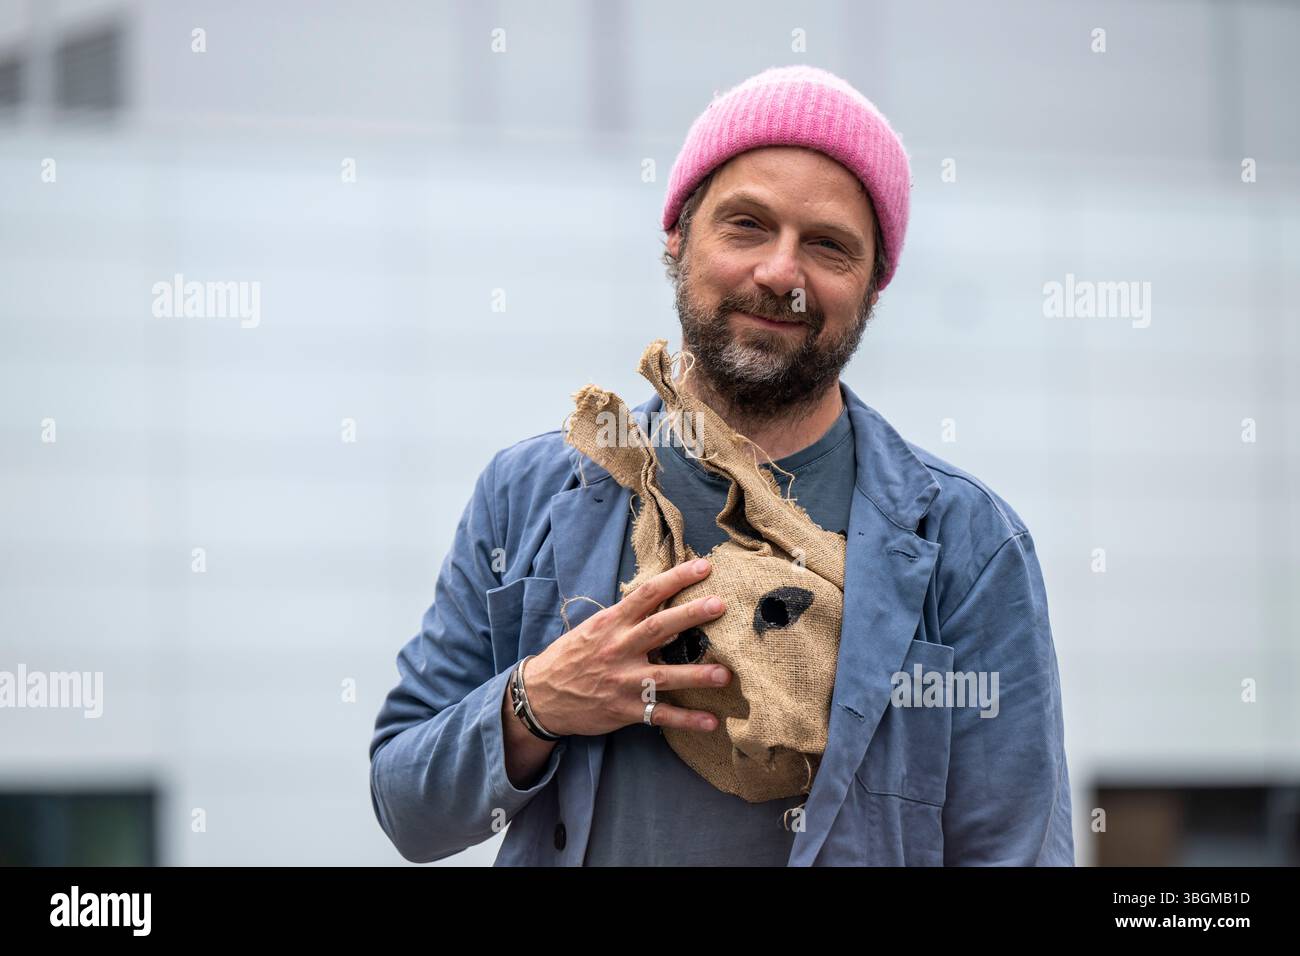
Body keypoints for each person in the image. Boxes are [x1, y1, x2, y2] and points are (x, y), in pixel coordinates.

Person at [369, 64, 1074, 866]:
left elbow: (1016, 850)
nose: (781, 273)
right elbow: (408, 808)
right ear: (677, 237)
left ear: (874, 286)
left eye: (828, 246)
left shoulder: (971, 546)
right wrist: (538, 702)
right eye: (746, 225)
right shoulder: (527, 493)